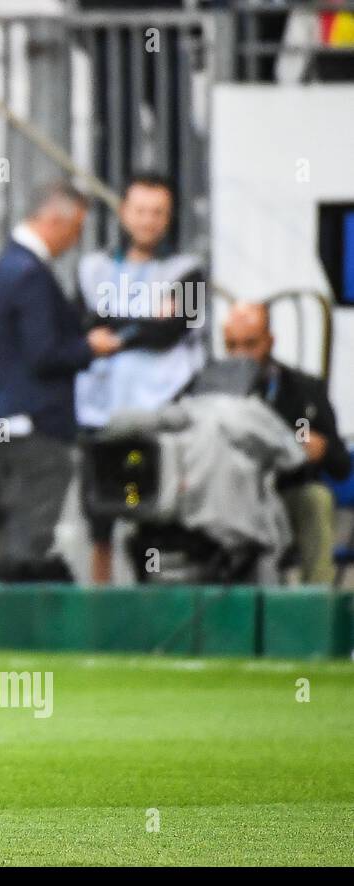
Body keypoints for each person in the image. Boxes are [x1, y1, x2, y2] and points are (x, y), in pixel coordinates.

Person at [0, 181, 121, 579]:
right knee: (33, 528)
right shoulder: (29, 272)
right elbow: (43, 354)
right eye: (76, 228)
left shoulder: (7, 265)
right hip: (36, 418)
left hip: (11, 415)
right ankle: (18, 621)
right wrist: (90, 347)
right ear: (55, 220)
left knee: (22, 520)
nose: (76, 239)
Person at [75, 171, 206, 583]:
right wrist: (144, 321)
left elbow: (172, 330)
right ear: (124, 213)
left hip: (159, 409)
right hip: (100, 407)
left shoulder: (189, 269)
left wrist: (115, 331)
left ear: (169, 218)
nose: (148, 220)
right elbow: (83, 322)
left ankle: (152, 595)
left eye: (158, 212)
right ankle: (100, 602)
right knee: (99, 511)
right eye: (141, 211)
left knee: (158, 506)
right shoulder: (92, 267)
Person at [223, 302, 351, 583]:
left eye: (250, 344)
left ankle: (315, 606)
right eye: (231, 346)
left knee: (315, 499)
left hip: (285, 495)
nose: (240, 355)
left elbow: (341, 465)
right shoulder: (207, 389)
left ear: (270, 341)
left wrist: (323, 449)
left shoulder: (304, 390)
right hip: (226, 500)